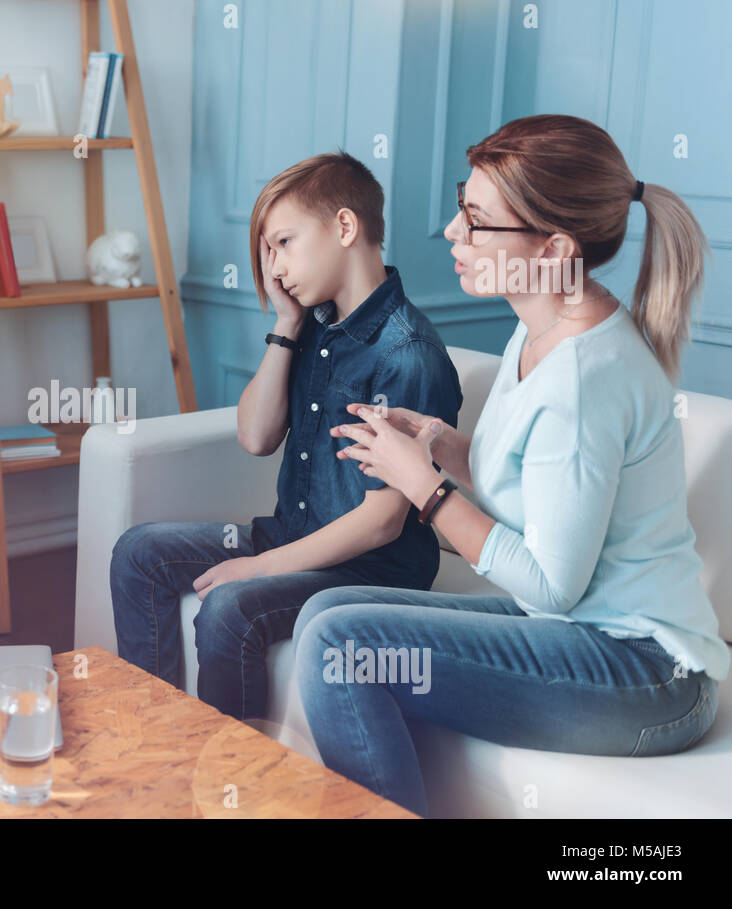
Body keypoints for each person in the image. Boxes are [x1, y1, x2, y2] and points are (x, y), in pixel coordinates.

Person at [292, 114, 727, 818]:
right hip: (586, 635)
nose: (452, 232)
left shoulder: (586, 378)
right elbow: (539, 479)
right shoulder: (539, 321)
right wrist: (440, 442)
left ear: (553, 246)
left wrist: (424, 487)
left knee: (343, 645)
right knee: (327, 609)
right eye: (463, 205)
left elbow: (552, 585)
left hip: (649, 673)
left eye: (477, 219)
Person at [109, 152, 463, 720]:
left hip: (367, 568)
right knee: (139, 553)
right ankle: (158, 737)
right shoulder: (316, 325)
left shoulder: (407, 356)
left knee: (229, 609)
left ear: (345, 227)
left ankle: (229, 783)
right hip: (291, 538)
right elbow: (255, 436)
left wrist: (258, 569)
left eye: (284, 243)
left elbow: (384, 520)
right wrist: (286, 324)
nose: (273, 268)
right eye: (267, 252)